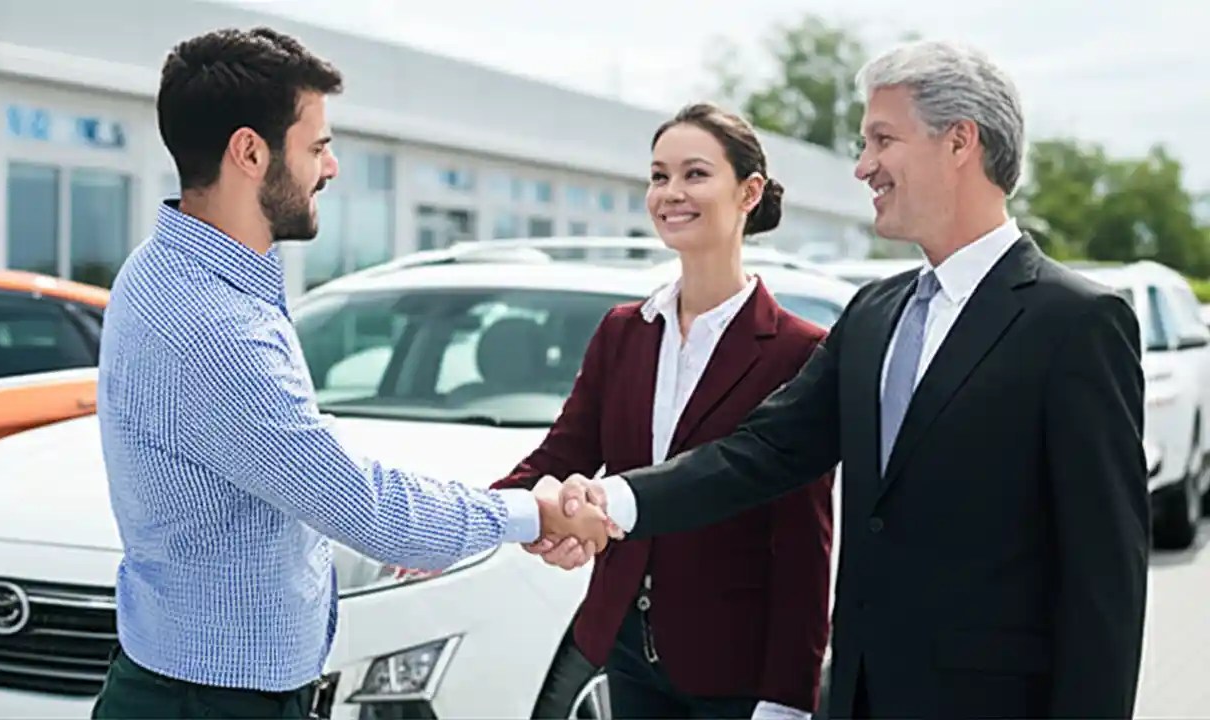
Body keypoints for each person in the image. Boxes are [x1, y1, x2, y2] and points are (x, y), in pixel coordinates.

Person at [549, 40, 1149, 719]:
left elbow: (1105, 587)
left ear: (960, 142)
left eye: (881, 139)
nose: (863, 167)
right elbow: (763, 453)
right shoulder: (873, 315)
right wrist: (619, 500)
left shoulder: (1076, 323)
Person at [90, 27, 606, 719]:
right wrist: (530, 512)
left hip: (193, 682)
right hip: (213, 703)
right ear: (250, 152)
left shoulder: (165, 268)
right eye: (318, 146)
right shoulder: (216, 327)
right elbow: (362, 507)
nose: (330, 169)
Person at [492, 103, 836, 719]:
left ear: (748, 192)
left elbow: (803, 545)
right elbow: (562, 455)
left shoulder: (798, 350)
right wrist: (475, 519)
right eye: (658, 176)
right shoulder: (624, 331)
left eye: (695, 174)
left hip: (735, 666)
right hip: (626, 645)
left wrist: (788, 700)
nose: (671, 193)